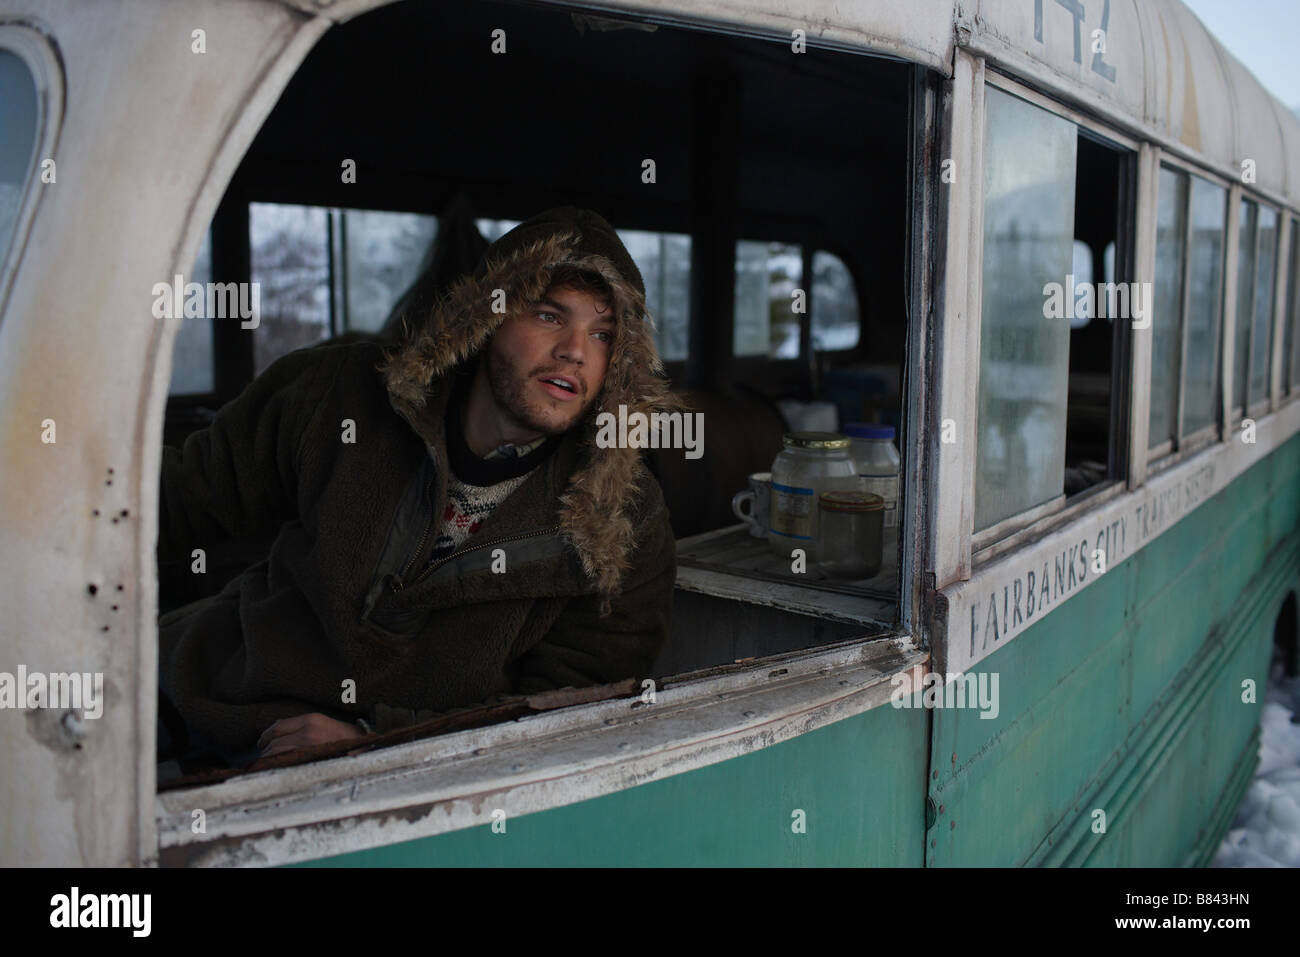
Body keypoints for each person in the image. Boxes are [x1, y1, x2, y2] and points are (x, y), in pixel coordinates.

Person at [156, 207, 681, 767]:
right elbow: (176, 505)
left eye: (603, 334)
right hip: (200, 696)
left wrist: (376, 741)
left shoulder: (622, 517)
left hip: (393, 774)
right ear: (484, 317)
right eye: (549, 316)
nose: (576, 350)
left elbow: (563, 717)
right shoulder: (339, 395)